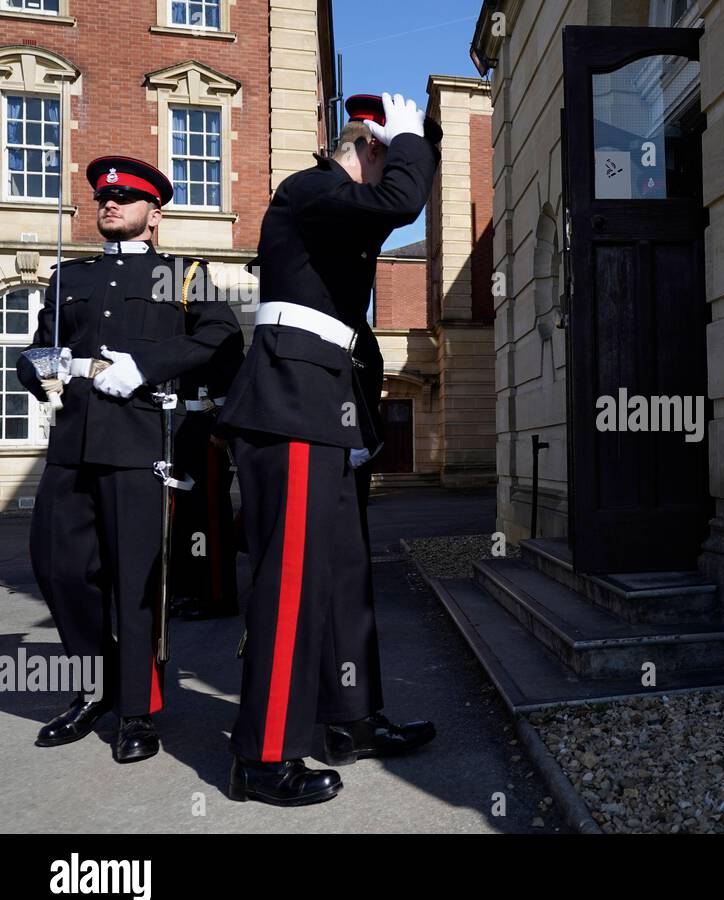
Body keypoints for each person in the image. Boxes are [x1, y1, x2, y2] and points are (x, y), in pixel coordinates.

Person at [215, 93, 441, 805]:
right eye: (394, 152)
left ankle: (352, 719)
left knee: (344, 576)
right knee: (290, 584)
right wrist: (410, 141)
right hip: (290, 403)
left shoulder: (338, 214)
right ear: (370, 147)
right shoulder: (309, 189)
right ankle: (263, 754)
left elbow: (348, 324)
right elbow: (403, 203)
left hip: (327, 407)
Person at [18, 156, 241, 762]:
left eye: (125, 198)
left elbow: (221, 337)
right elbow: (37, 350)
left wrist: (148, 365)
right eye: (102, 199)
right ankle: (97, 686)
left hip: (141, 446)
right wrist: (44, 369)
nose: (109, 204)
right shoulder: (70, 278)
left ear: (154, 214)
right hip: (71, 447)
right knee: (58, 569)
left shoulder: (185, 275)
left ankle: (138, 709)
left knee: (138, 584)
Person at [172, 329, 244, 620]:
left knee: (210, 519)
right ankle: (191, 590)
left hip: (211, 434)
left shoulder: (222, 333)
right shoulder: (183, 332)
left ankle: (216, 597)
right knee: (186, 519)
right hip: (186, 432)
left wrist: (222, 428)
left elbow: (238, 388)